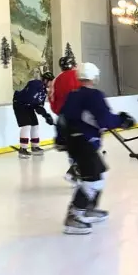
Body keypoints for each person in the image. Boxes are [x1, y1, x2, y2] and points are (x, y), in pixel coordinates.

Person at [60, 62, 135, 235]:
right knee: (92, 180)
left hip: (76, 143)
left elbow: (63, 118)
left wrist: (61, 138)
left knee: (99, 173)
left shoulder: (72, 95)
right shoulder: (94, 95)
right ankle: (74, 216)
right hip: (84, 143)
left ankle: (87, 209)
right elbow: (104, 119)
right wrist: (122, 121)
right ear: (94, 77)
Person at [50, 54, 82, 182]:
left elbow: (52, 99)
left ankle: (74, 170)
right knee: (85, 143)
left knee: (70, 145)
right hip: (80, 116)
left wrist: (59, 112)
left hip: (63, 117)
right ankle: (75, 171)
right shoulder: (79, 75)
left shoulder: (56, 80)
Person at [12, 72, 55, 158]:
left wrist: (46, 115)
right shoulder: (35, 84)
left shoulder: (43, 91)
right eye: (51, 81)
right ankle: (23, 149)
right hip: (20, 104)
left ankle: (35, 146)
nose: (52, 84)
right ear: (46, 80)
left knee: (35, 125)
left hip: (28, 106)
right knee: (26, 125)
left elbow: (38, 106)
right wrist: (41, 111)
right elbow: (31, 99)